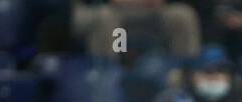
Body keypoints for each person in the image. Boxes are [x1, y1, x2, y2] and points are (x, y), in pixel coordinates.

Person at [72, 0, 202, 59]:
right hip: (107, 12)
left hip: (152, 11)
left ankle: (183, 78)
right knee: (106, 19)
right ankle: (107, 81)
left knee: (182, 16)